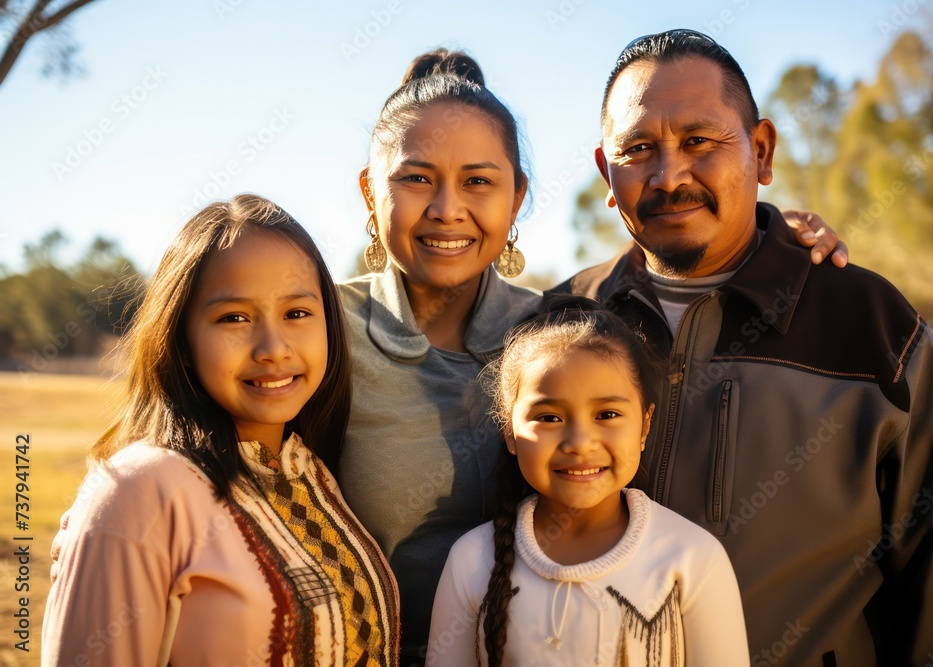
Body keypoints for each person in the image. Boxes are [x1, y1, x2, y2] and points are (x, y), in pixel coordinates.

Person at [48, 50, 844, 666]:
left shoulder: (560, 332)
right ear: (370, 191)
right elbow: (202, 424)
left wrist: (776, 240)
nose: (447, 209)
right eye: (416, 179)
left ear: (520, 192)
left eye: (479, 181)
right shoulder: (317, 330)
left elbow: (682, 284)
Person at [553, 29, 933, 665]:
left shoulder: (871, 327)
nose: (669, 173)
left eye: (699, 141)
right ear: (606, 169)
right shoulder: (563, 324)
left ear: (760, 152)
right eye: (639, 148)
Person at [42, 195, 400, 666]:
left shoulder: (313, 475)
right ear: (182, 341)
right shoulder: (141, 489)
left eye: (296, 313)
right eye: (234, 318)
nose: (274, 348)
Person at [427, 298, 750, 666]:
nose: (580, 442)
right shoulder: (471, 560)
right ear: (510, 433)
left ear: (644, 425)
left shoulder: (691, 558)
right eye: (549, 417)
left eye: (607, 414)